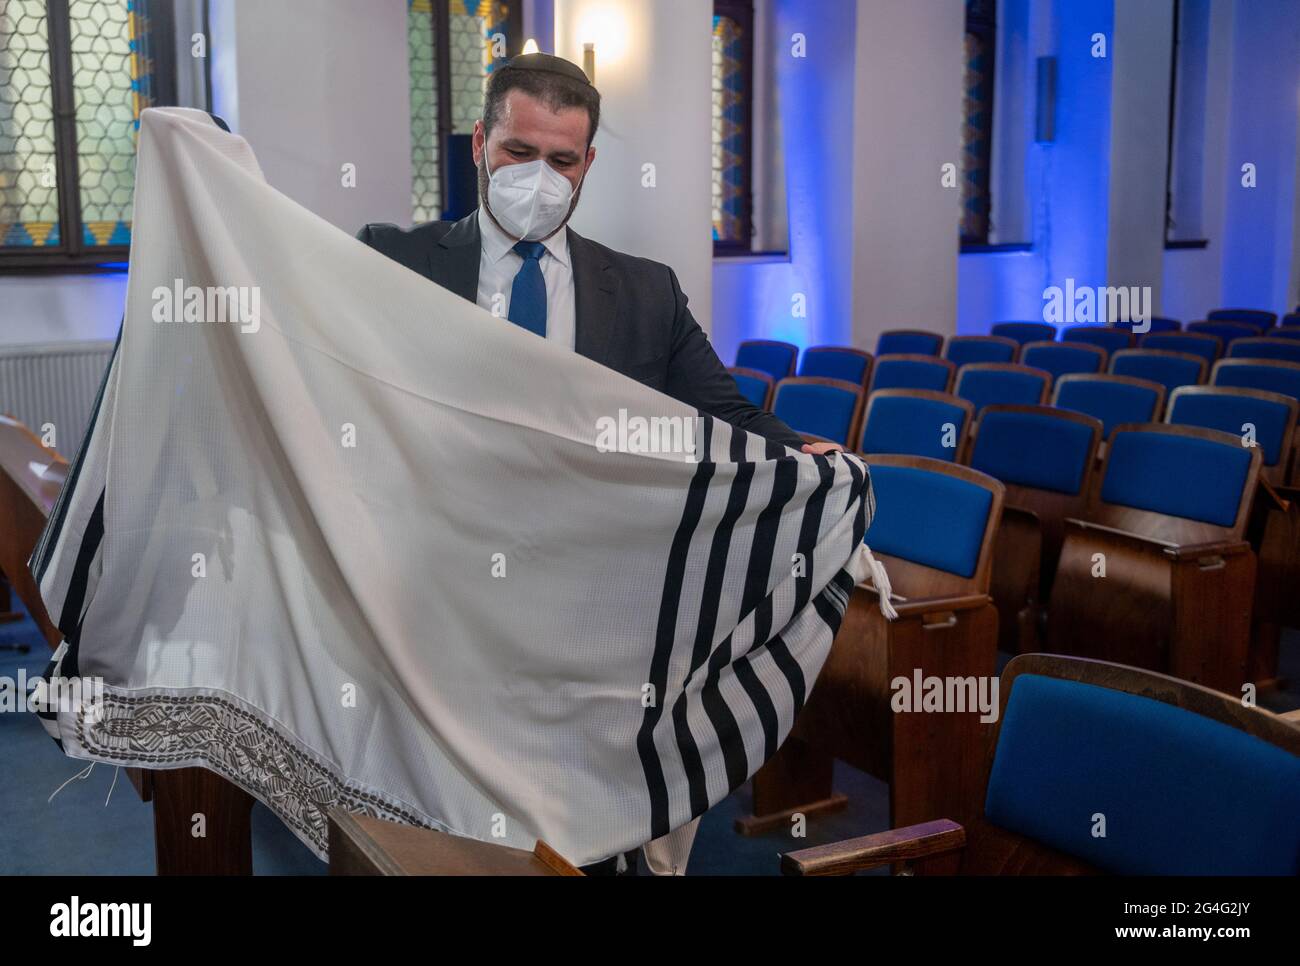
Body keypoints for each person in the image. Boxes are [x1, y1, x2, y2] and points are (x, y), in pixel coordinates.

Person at [357, 51, 840, 459]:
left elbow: (725, 413)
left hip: (587, 544)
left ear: (586, 163)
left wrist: (799, 453)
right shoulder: (395, 260)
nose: (537, 179)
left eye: (561, 160)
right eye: (519, 152)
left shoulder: (648, 293)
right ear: (481, 142)